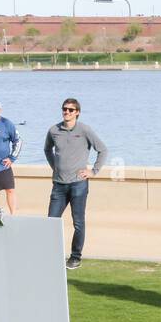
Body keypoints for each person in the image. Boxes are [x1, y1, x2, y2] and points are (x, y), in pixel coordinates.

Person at [44, 97, 107, 270]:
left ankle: (75, 257)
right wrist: (54, 167)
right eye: (64, 109)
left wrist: (93, 171)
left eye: (71, 110)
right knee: (51, 221)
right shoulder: (53, 130)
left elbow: (102, 150)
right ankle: (52, 255)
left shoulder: (84, 130)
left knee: (78, 222)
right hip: (58, 185)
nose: (67, 112)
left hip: (79, 185)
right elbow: (47, 150)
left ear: (77, 112)